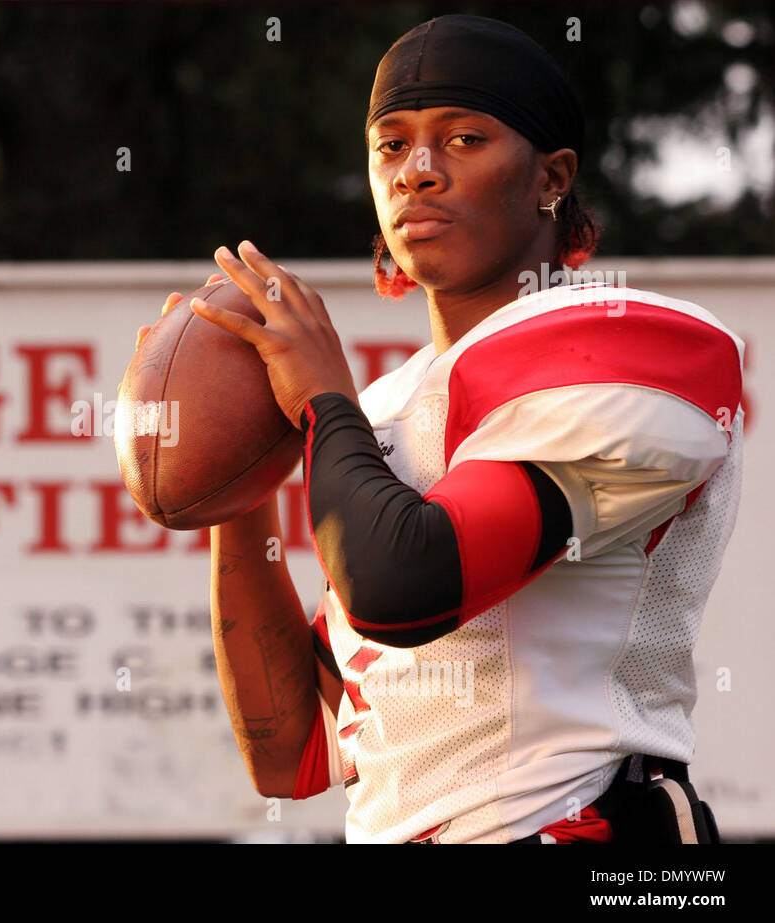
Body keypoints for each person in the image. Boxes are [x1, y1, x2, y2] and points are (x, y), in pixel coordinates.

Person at [135, 14, 743, 843]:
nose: (417, 172)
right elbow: (294, 752)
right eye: (391, 145)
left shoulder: (636, 340)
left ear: (551, 179)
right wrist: (238, 478)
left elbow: (405, 587)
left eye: (462, 139)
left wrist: (319, 404)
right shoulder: (386, 407)